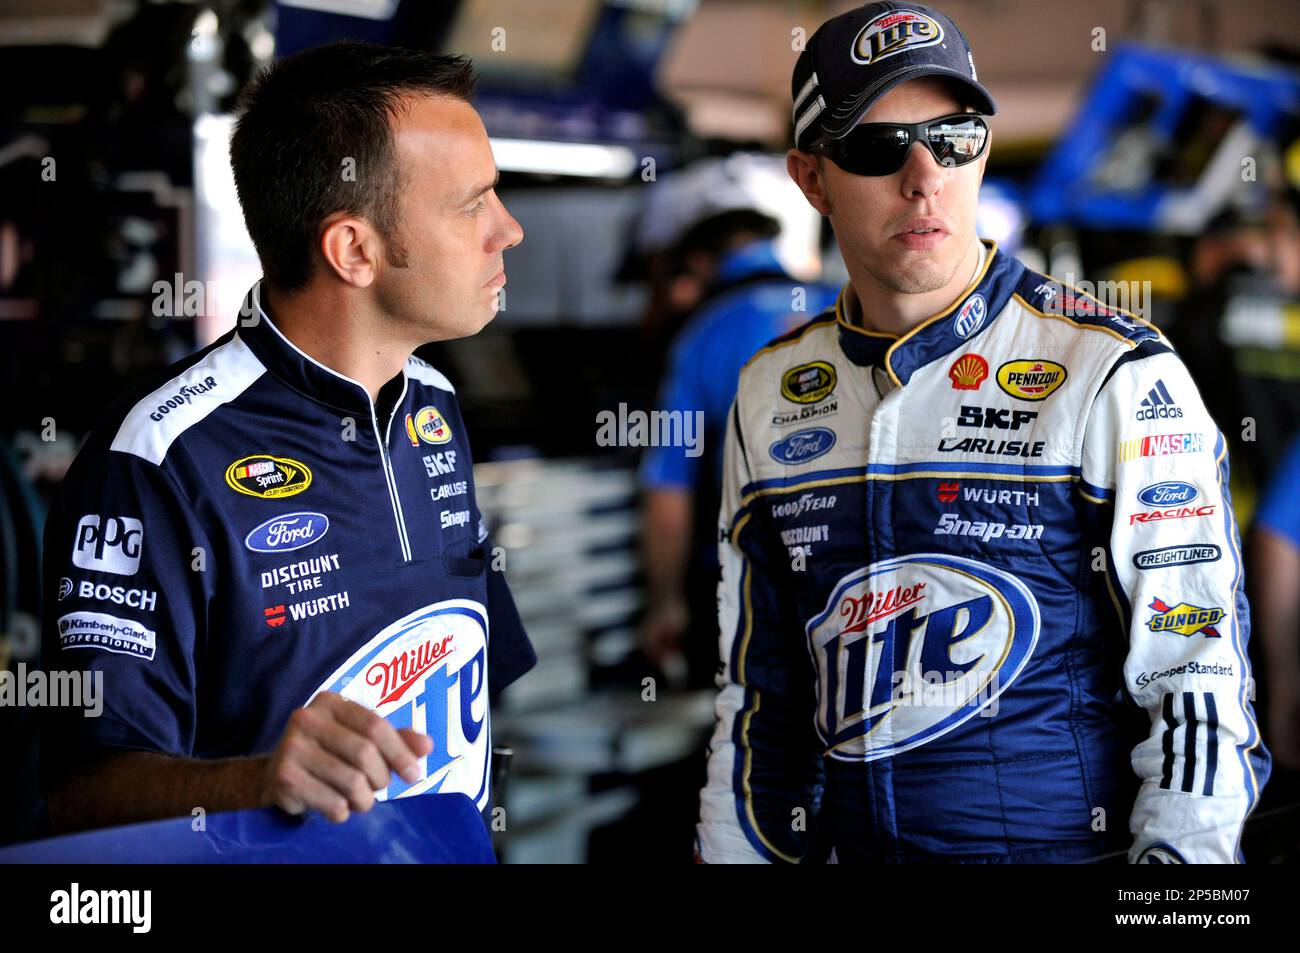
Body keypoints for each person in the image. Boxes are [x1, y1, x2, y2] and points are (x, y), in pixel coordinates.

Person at [697, 1, 1269, 863]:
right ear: (810, 179)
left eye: (954, 137)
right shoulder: (770, 390)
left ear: (984, 150)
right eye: (877, 148)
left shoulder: (1114, 371)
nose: (924, 176)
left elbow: (1197, 688)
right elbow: (757, 699)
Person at [39, 42, 535, 833]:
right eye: (473, 204)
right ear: (353, 250)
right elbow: (75, 798)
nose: (507, 229)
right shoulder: (159, 458)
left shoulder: (435, 406)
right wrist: (260, 780)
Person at [638, 156, 838, 687]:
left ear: (700, 263)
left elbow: (669, 489)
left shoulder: (702, 334)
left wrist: (664, 602)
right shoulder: (849, 307)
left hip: (749, 588)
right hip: (871, 587)